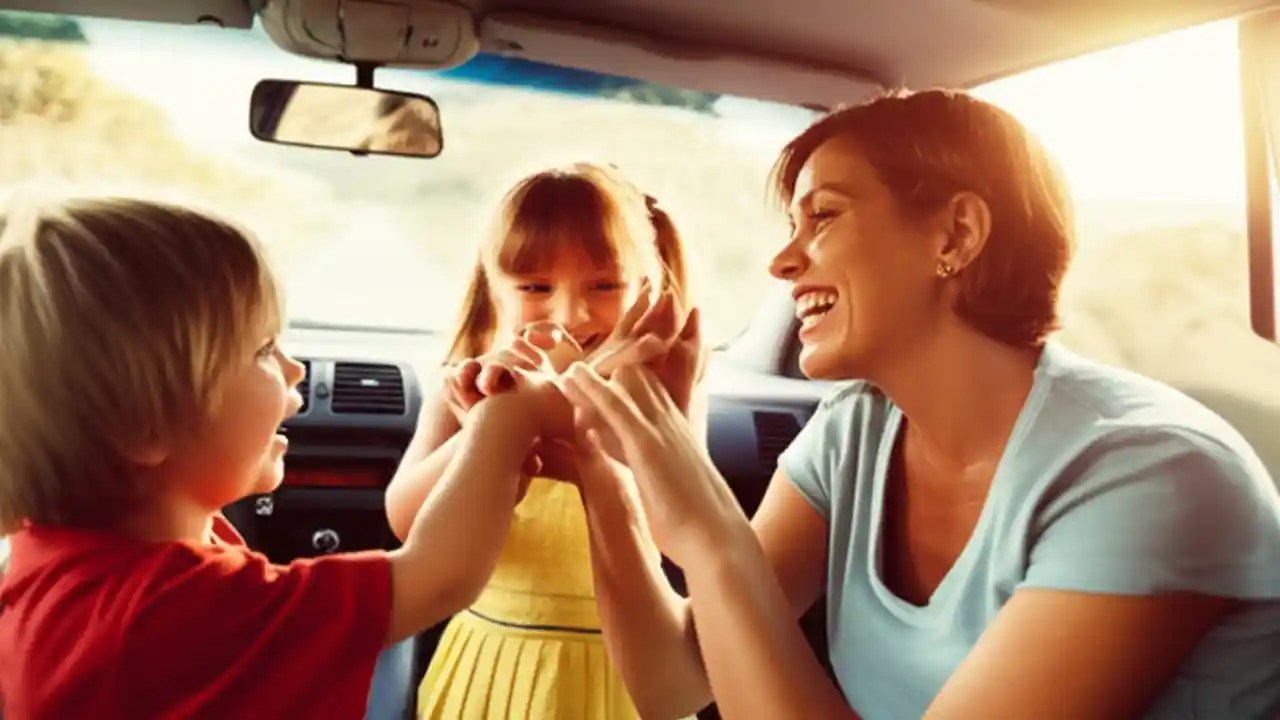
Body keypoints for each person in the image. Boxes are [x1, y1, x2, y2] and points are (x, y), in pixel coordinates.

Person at [553, 89, 1280, 719]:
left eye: (824, 216)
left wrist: (711, 535)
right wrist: (609, 471)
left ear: (956, 235)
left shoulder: (1152, 475)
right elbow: (673, 680)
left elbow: (710, 601)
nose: (783, 261)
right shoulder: (853, 436)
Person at [0, 196, 566, 718]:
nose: (296, 370)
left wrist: (486, 465)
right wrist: (508, 423)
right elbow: (438, 577)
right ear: (142, 428)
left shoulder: (51, 560)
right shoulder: (169, 609)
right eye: (264, 349)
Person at [384, 162, 698, 719]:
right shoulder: (467, 381)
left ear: (645, 286)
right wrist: (491, 425)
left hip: (624, 663)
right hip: (489, 660)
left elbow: (678, 529)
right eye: (535, 287)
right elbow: (407, 520)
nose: (570, 314)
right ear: (493, 290)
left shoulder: (657, 390)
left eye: (604, 286)